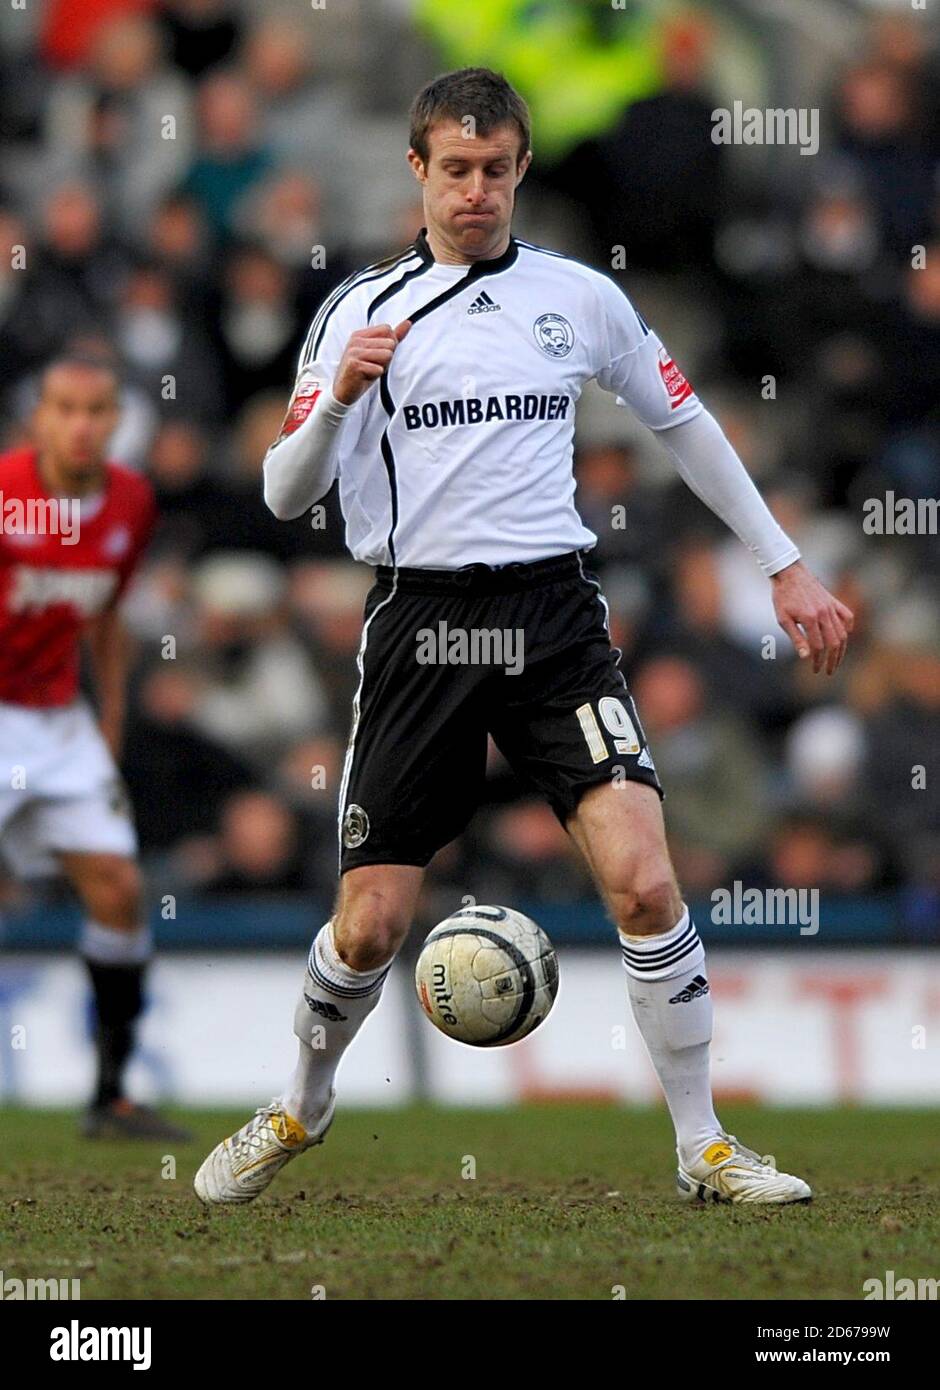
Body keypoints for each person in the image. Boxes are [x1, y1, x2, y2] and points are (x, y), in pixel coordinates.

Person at [195, 68, 853, 1207]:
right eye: (455, 169)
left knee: (645, 882)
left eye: (496, 169)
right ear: (417, 170)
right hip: (420, 620)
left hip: (553, 616)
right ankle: (301, 1101)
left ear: (521, 171)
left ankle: (702, 1146)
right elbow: (280, 492)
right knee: (369, 924)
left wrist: (784, 561)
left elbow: (683, 420)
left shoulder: (576, 298)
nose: (476, 191)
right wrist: (344, 398)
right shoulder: (359, 310)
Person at [0, 352, 188, 1141]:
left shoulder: (132, 502)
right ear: (37, 418)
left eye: (97, 410)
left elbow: (105, 619)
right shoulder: (6, 494)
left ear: (117, 422)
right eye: (65, 408)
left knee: (117, 886)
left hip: (59, 719)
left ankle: (110, 1095)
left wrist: (108, 720)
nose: (81, 425)